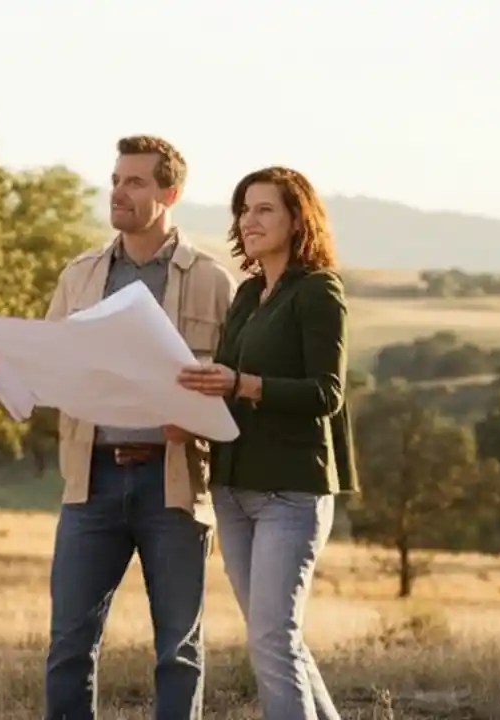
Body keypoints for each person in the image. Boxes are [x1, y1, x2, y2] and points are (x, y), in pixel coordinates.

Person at [0, 135, 236, 720]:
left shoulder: (214, 281)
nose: (118, 192)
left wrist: (196, 421)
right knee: (68, 646)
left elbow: (232, 389)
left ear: (171, 193)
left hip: (176, 485)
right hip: (91, 483)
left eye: (134, 182)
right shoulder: (80, 275)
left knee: (178, 651)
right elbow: (48, 370)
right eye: (115, 180)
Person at [177, 166, 359, 720]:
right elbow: (226, 378)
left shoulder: (319, 291)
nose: (249, 221)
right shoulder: (251, 292)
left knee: (273, 641)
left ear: (296, 218)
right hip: (232, 487)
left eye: (265, 210)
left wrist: (242, 384)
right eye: (244, 210)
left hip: (291, 492)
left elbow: (325, 393)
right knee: (276, 638)